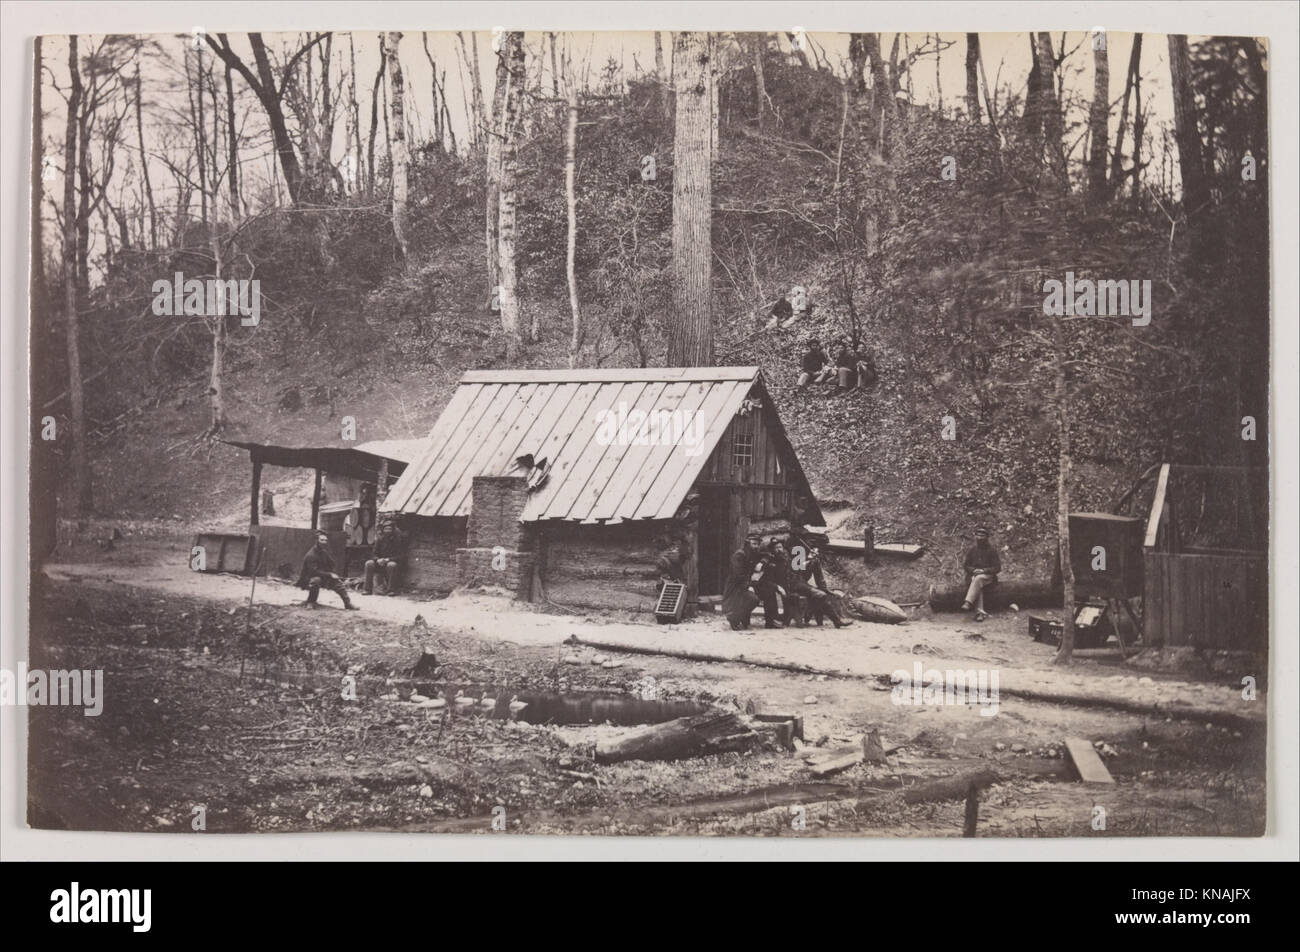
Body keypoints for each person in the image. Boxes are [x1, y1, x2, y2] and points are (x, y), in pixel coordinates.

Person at [788, 535, 849, 628]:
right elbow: (796, 571)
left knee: (822, 595)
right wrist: (808, 560)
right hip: (794, 583)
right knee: (821, 595)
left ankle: (836, 621)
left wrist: (825, 589)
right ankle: (809, 615)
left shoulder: (814, 560)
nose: (812, 547)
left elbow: (819, 578)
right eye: (810, 543)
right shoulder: (797, 553)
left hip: (803, 584)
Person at [298, 531, 358, 610]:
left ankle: (348, 603)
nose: (324, 542)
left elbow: (332, 564)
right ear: (317, 541)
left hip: (323, 576)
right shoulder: (311, 555)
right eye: (322, 540)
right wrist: (329, 574)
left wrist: (332, 574)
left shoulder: (324, 553)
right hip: (308, 579)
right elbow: (313, 572)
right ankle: (311, 602)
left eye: (325, 540)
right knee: (316, 580)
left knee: (337, 582)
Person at [961, 526, 1001, 621]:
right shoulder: (972, 550)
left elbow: (997, 568)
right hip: (973, 576)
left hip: (987, 577)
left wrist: (984, 571)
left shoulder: (992, 550)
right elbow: (966, 566)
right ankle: (980, 614)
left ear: (987, 537)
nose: (979, 538)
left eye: (982, 536)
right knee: (977, 583)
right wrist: (973, 570)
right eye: (978, 535)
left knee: (978, 579)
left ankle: (968, 602)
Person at [721, 541, 761, 630]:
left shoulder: (752, 554)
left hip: (744, 584)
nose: (756, 546)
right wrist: (748, 586)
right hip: (735, 586)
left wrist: (762, 561)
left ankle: (743, 619)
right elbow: (738, 574)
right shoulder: (740, 555)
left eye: (758, 544)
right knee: (753, 599)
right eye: (754, 544)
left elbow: (766, 554)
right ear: (748, 544)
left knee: (754, 597)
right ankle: (734, 618)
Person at [364, 517, 407, 595]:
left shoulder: (398, 541)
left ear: (393, 530)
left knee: (392, 565)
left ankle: (391, 590)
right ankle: (367, 589)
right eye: (386, 529)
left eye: (389, 529)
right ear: (383, 530)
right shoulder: (380, 540)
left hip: (391, 564)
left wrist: (387, 560)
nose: (387, 531)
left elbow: (401, 556)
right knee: (369, 563)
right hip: (380, 563)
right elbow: (373, 554)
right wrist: (378, 560)